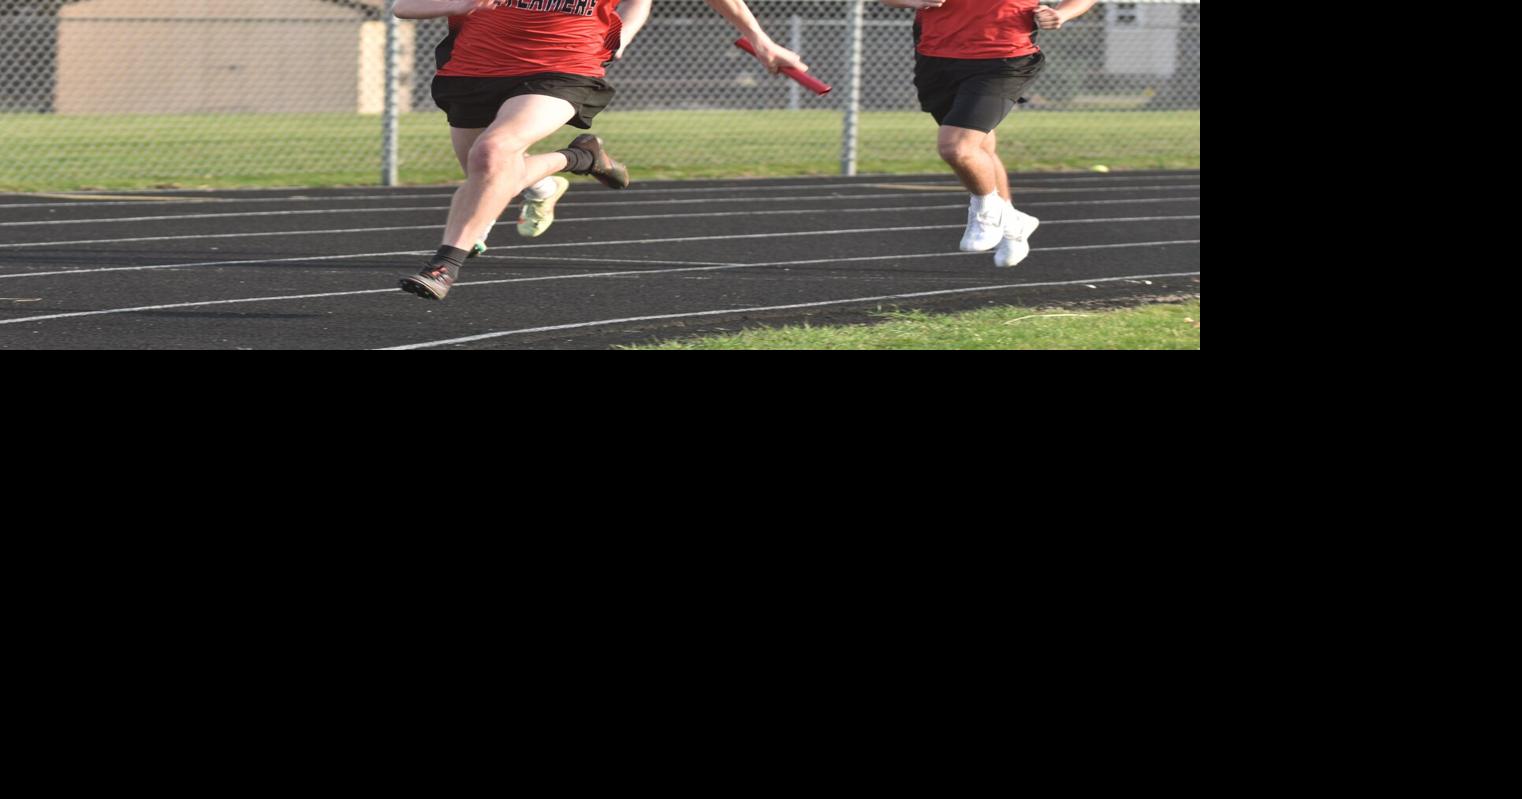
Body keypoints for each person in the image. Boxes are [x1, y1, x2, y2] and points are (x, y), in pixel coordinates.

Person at [394, 0, 811, 300]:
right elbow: (404, 7)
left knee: (491, 155)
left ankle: (444, 266)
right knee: (485, 176)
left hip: (564, 67)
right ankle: (577, 159)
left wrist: (760, 40)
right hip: (473, 68)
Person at [881, 0, 1097, 268]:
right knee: (980, 146)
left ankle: (984, 212)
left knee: (957, 148)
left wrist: (1061, 14)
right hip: (937, 56)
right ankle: (1013, 224)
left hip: (1003, 57)